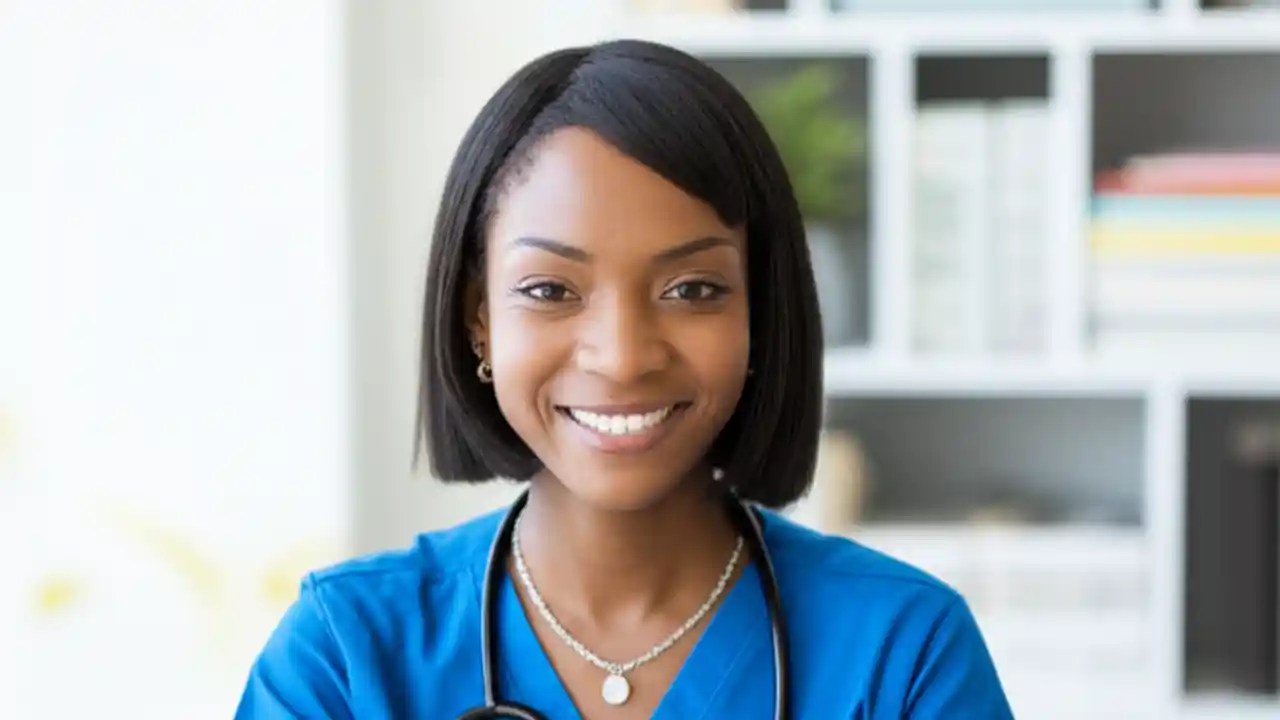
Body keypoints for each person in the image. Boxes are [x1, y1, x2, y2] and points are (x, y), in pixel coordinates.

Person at [236, 39, 1014, 719]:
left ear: (759, 316)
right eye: (550, 290)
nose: (623, 356)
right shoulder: (343, 656)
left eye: (692, 290)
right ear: (480, 320)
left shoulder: (905, 655)